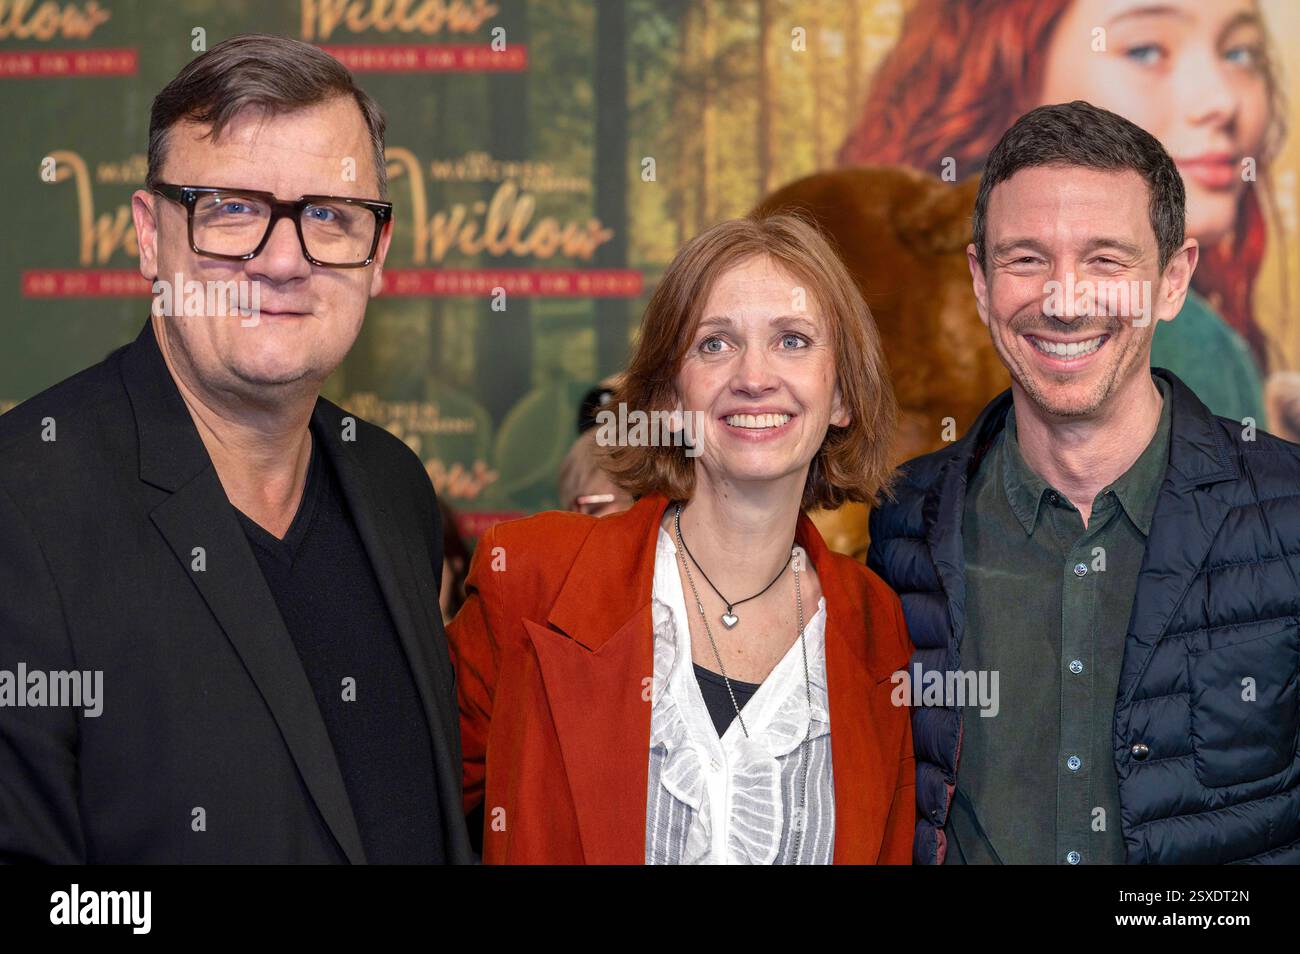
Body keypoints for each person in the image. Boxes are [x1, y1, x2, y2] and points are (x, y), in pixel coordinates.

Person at [0, 34, 470, 863]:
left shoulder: (392, 484)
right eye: (232, 210)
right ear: (150, 235)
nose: (284, 261)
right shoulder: (24, 503)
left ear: (378, 252)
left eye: (329, 215)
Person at [869, 101, 1300, 865]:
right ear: (980, 282)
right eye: (1025, 259)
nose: (1064, 301)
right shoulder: (903, 523)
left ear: (1173, 280)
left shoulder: (1288, 514)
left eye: (1106, 260)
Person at [447, 214, 915, 864]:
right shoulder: (533, 580)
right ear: (669, 397)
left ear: (841, 396)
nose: (755, 376)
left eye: (793, 340)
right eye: (715, 344)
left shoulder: (877, 627)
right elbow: (396, 810)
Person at [838, 0, 1284, 427]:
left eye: (1239, 53)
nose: (1221, 101)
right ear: (1007, 70)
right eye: (1145, 49)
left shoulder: (1200, 347)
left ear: (1176, 278)